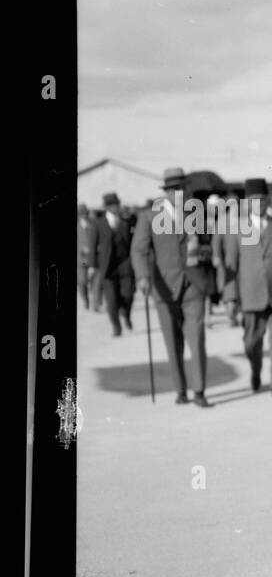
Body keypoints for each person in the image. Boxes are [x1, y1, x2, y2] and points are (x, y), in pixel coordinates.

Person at [130, 167, 216, 407]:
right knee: (172, 341)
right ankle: (181, 390)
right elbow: (139, 250)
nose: (178, 193)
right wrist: (143, 277)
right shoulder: (149, 216)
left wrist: (204, 252)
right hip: (164, 288)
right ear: (166, 191)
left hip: (193, 285)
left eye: (182, 188)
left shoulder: (196, 213)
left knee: (197, 338)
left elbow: (210, 245)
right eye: (173, 189)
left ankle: (199, 391)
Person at [217, 178, 272, 398]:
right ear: (246, 203)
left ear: (268, 201)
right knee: (251, 342)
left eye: (262, 199)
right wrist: (229, 298)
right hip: (251, 295)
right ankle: (256, 369)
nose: (258, 203)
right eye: (253, 200)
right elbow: (231, 266)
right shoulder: (238, 229)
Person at [87, 192, 136, 336]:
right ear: (107, 207)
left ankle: (126, 313)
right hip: (107, 266)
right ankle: (117, 327)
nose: (115, 207)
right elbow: (92, 244)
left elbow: (134, 241)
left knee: (128, 294)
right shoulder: (98, 223)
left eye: (116, 204)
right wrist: (91, 266)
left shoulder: (126, 220)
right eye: (112, 205)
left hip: (125, 263)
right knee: (111, 300)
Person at [77, 203, 96, 311]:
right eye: (82, 214)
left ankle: (96, 301)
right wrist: (81, 250)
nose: (84, 215)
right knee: (82, 281)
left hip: (92, 258)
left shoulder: (93, 224)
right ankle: (85, 300)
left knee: (94, 281)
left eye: (85, 213)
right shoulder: (77, 227)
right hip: (81, 260)